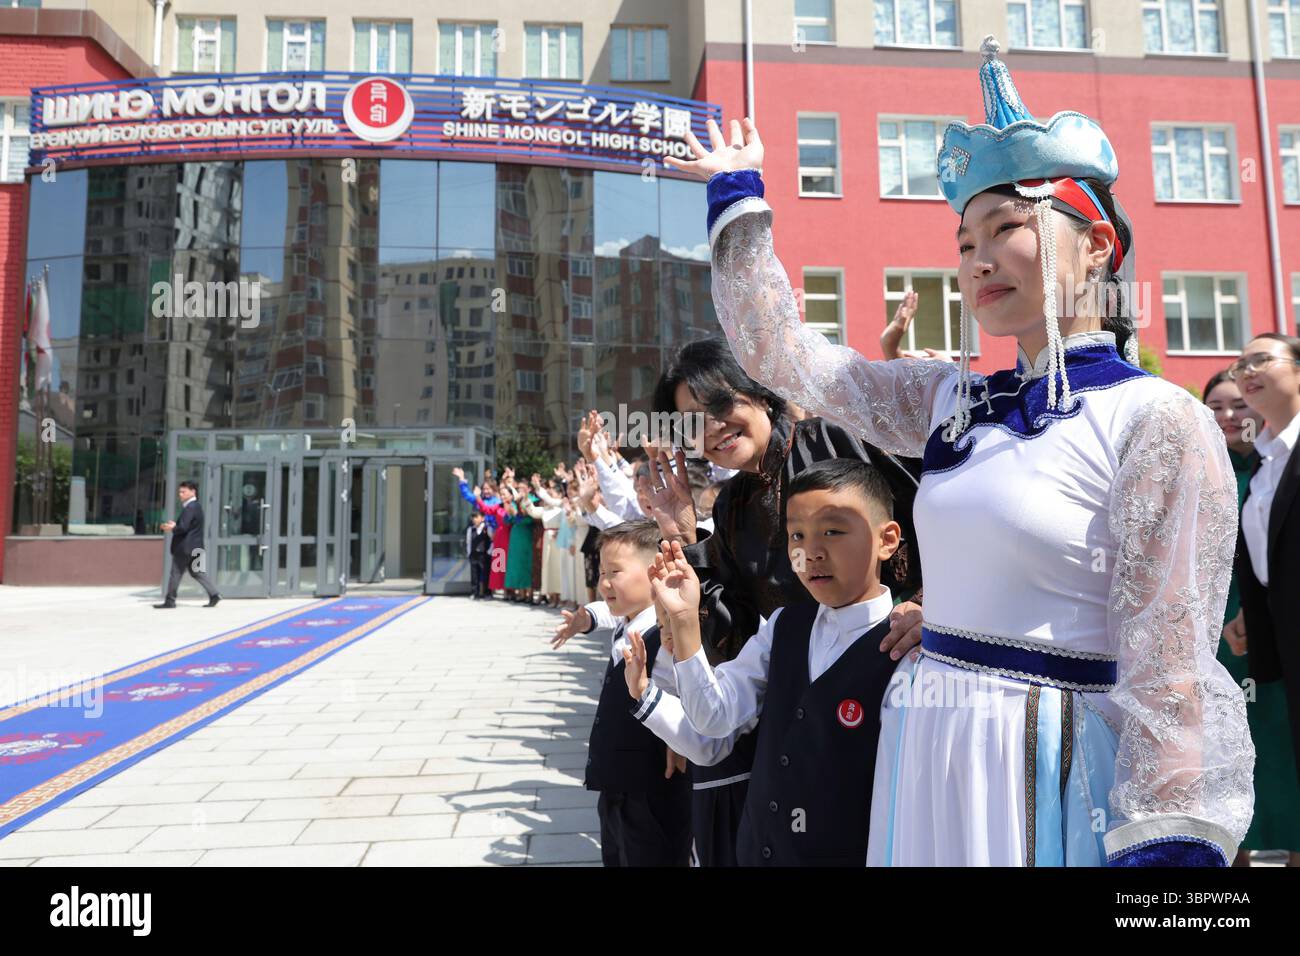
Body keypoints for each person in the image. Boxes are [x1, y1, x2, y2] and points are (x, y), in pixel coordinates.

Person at [668, 36, 1253, 866]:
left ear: (1098, 246)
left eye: (1006, 226)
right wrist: (738, 198)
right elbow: (786, 356)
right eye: (963, 241)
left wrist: (1167, 848)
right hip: (927, 743)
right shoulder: (951, 400)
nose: (977, 259)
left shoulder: (1157, 419)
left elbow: (1173, 662)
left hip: (1049, 758)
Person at [642, 337, 926, 866]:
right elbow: (736, 632)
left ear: (759, 392)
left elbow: (936, 513)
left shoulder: (837, 438)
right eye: (692, 422)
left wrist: (930, 606)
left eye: (722, 405)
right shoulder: (731, 506)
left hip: (901, 669)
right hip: (800, 725)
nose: (714, 429)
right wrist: (685, 534)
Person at [550, 520, 692, 866]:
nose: (604, 583)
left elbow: (686, 690)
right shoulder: (628, 620)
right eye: (601, 572)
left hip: (651, 787)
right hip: (615, 783)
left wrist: (680, 739)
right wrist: (584, 619)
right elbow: (606, 613)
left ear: (654, 573)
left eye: (615, 572)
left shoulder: (667, 635)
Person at [1205, 369, 1300, 865]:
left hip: (1269, 628)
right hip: (1212, 631)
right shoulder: (1196, 466)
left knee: (1278, 743)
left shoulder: (1277, 467)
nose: (1227, 416)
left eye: (1237, 406)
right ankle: (1232, 856)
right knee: (1222, 749)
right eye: (1216, 407)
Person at [1229, 334, 1300, 814]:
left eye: (1261, 361)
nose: (1246, 372)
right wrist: (1253, 613)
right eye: (1240, 367)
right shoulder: (1266, 463)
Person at [156, 480, 220, 609]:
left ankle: (170, 601)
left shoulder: (190, 508)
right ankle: (214, 594)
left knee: (176, 573)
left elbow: (183, 528)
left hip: (185, 548)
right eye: (179, 491)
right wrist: (176, 526)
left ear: (193, 492)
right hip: (197, 547)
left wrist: (172, 528)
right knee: (198, 572)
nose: (180, 494)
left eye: (183, 491)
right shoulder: (197, 507)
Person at [467, 511, 493, 600]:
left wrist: (489, 552)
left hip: (484, 555)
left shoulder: (487, 528)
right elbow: (468, 542)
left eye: (476, 517)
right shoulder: (470, 529)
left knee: (485, 574)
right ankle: (474, 593)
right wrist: (469, 553)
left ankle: (487, 593)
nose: (474, 519)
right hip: (473, 555)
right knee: (474, 575)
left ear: (482, 518)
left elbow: (492, 540)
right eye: (473, 517)